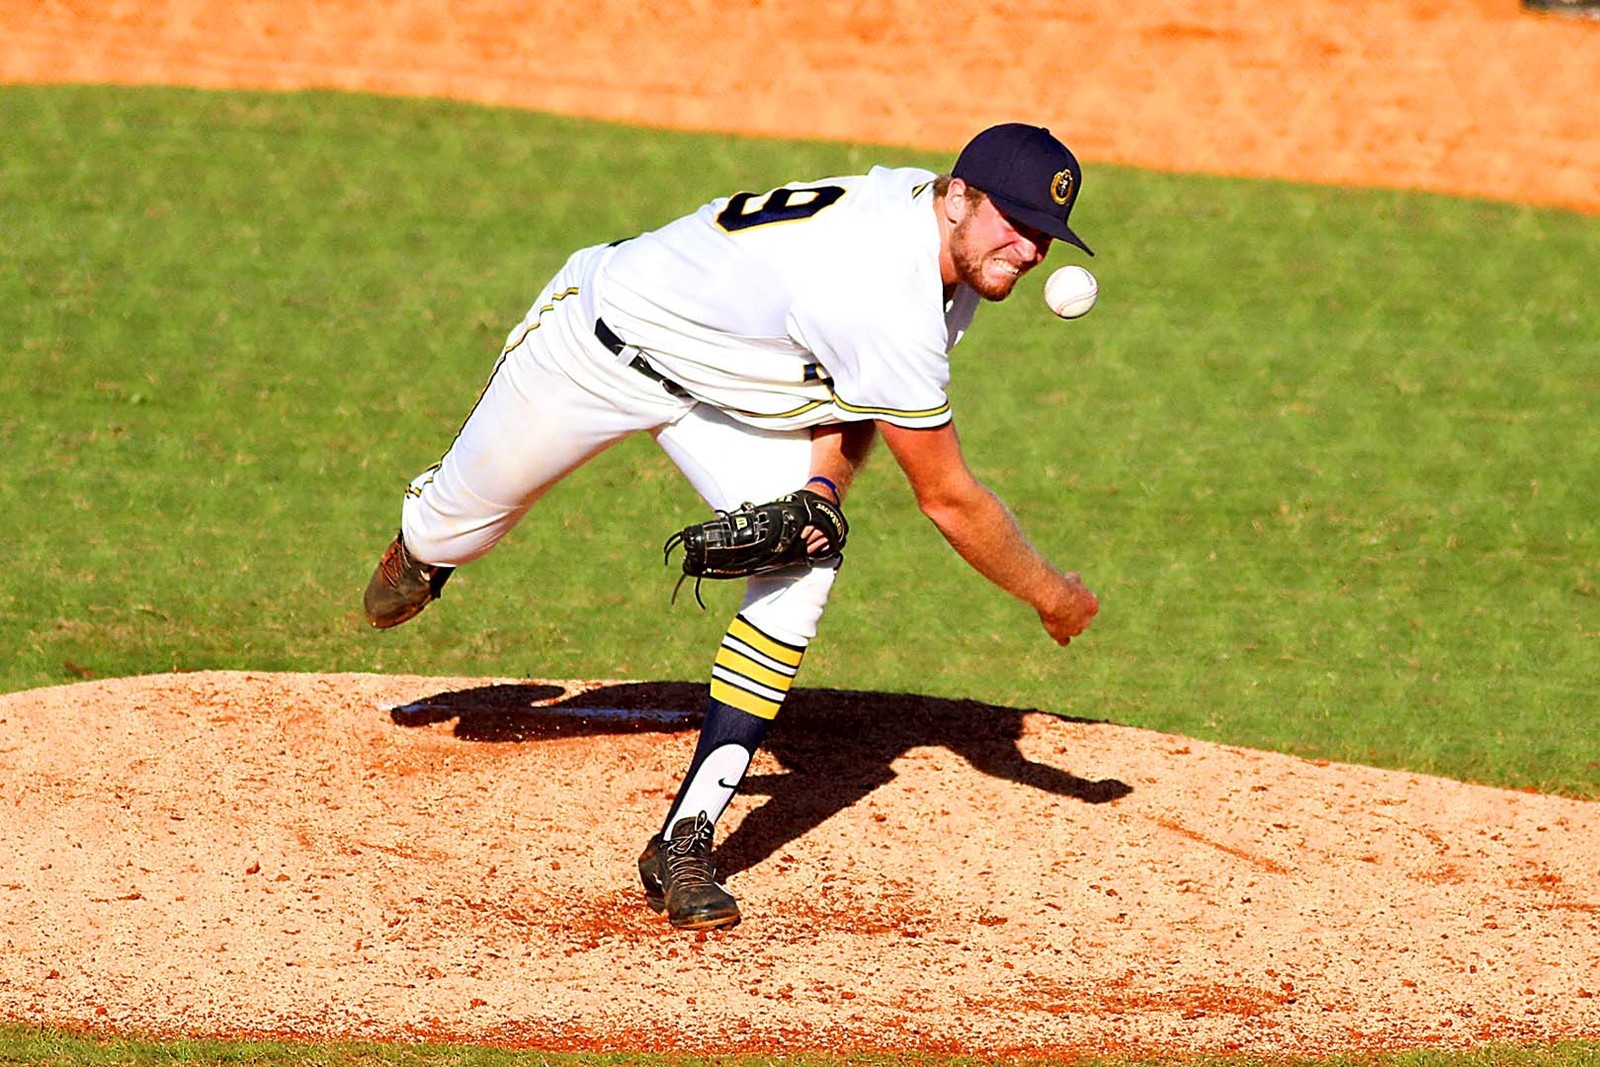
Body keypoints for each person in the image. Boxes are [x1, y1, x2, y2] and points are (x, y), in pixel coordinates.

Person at [363, 122, 1101, 930]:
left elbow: (848, 389)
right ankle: (430, 546)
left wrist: (820, 487)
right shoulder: (887, 284)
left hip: (734, 398)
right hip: (597, 347)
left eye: (1044, 235)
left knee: (807, 558)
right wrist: (1051, 595)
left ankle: (684, 839)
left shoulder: (938, 238)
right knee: (444, 536)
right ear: (960, 195)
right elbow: (949, 498)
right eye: (1017, 223)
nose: (1030, 250)